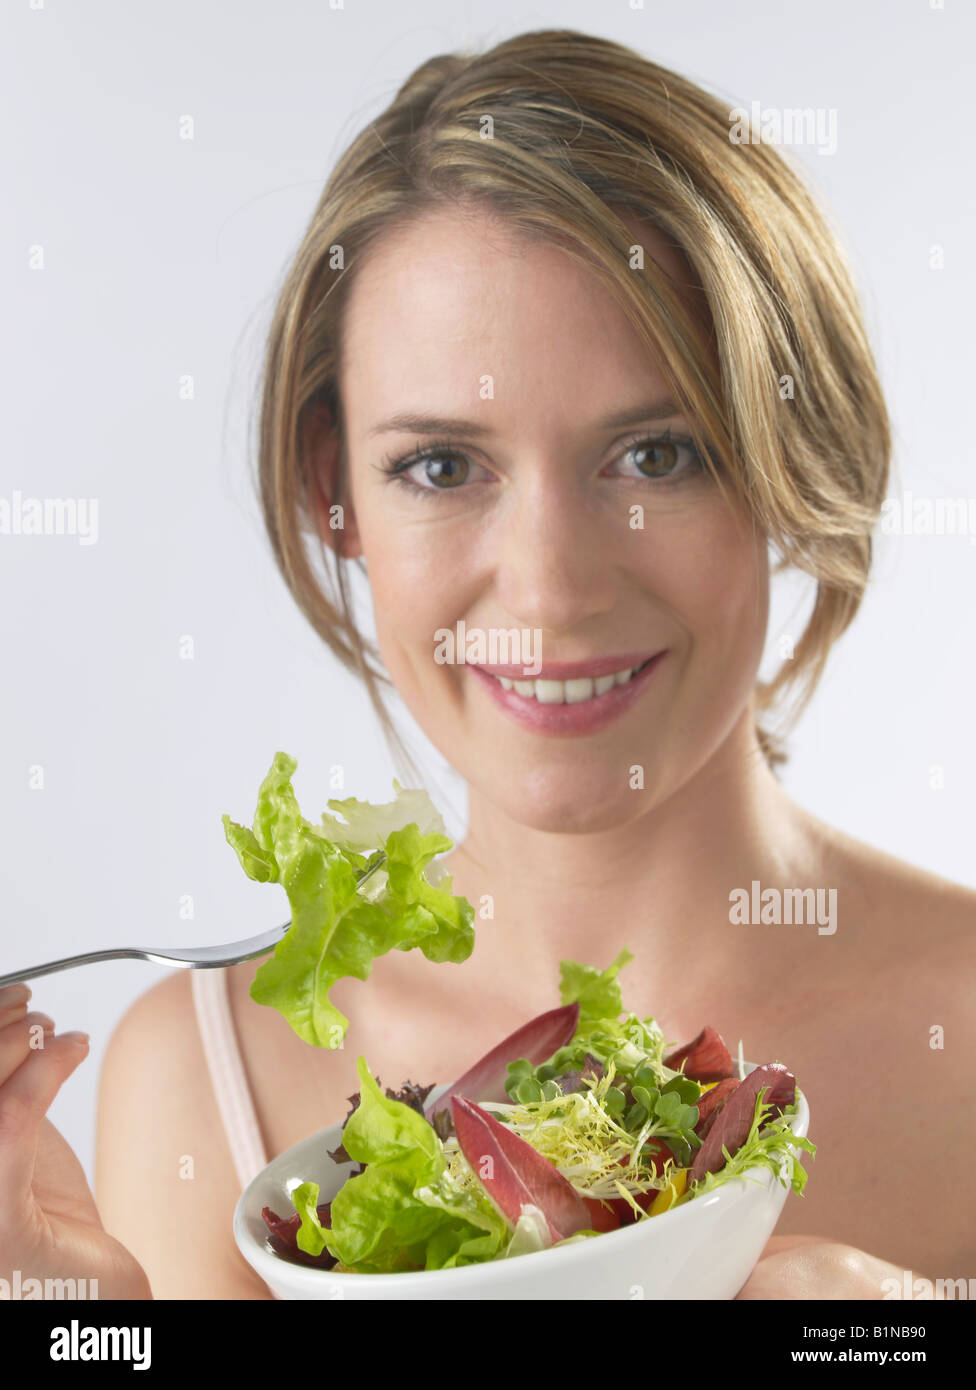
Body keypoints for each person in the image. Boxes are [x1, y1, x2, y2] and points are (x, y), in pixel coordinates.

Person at [2, 29, 973, 1301]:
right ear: (333, 490)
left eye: (657, 454)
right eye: (442, 466)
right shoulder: (198, 1073)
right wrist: (80, 1322)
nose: (551, 586)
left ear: (788, 460)